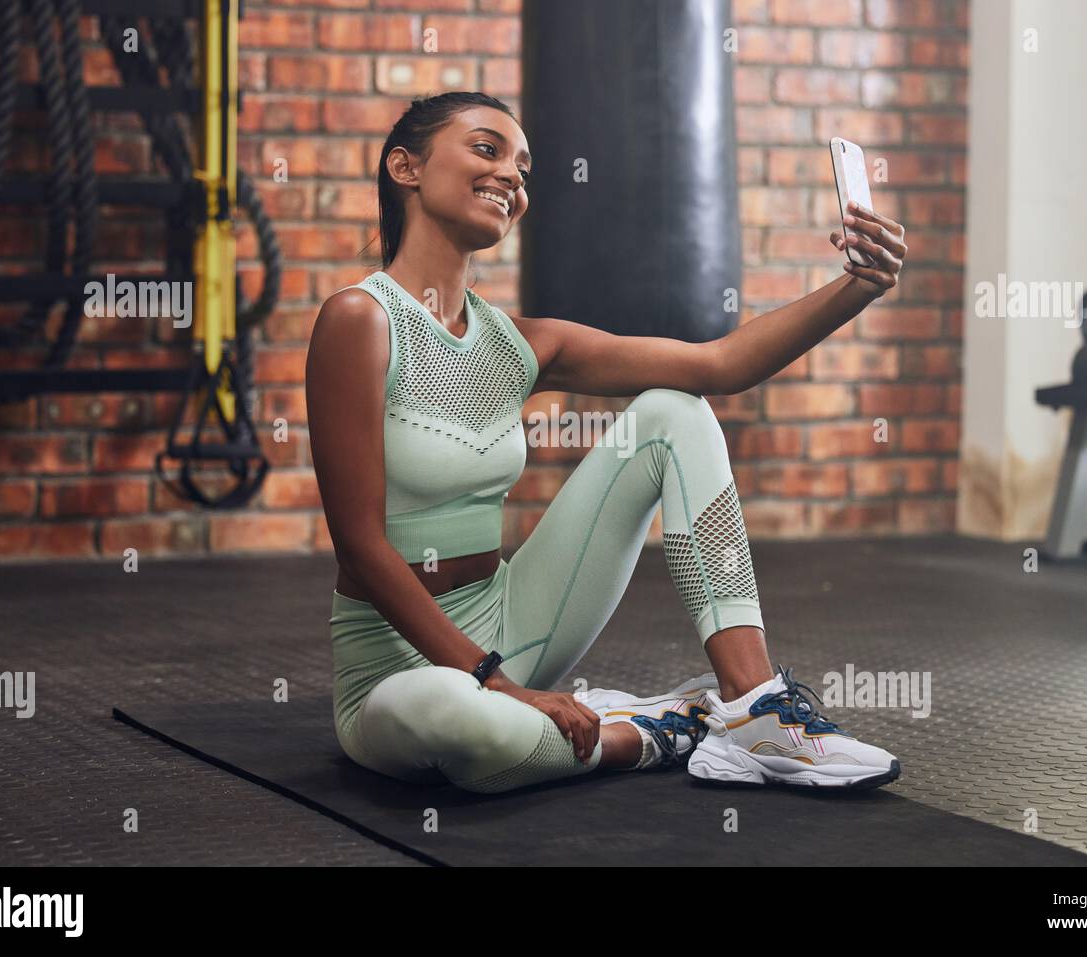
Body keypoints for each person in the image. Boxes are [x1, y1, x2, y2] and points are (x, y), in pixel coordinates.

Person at [306, 92, 908, 795]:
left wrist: (856, 287)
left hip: (511, 619)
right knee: (459, 723)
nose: (512, 177)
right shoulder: (360, 319)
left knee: (673, 410)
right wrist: (495, 684)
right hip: (395, 670)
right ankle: (650, 732)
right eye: (486, 149)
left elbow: (720, 364)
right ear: (404, 167)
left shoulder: (520, 342)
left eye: (524, 168)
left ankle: (750, 708)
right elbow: (361, 547)